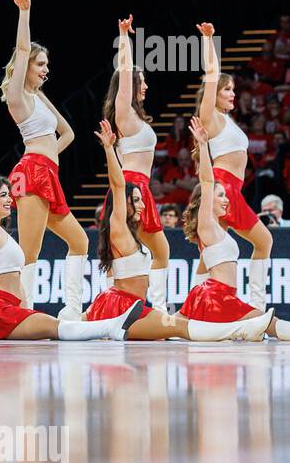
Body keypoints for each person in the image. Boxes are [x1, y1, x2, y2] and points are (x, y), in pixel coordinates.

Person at [0, 120, 141, 342]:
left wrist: (24, 307)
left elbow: (17, 280)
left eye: (9, 194)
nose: (10, 199)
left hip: (4, 309)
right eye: (3, 195)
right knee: (55, 327)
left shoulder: (3, 233)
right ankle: (112, 326)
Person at [87, 119, 261, 341]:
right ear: (125, 203)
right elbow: (118, 185)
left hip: (133, 309)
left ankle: (239, 328)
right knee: (177, 326)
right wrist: (110, 150)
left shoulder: (134, 236)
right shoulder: (118, 224)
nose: (143, 205)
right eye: (137, 200)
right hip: (121, 307)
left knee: (175, 324)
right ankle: (240, 330)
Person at [180, 116, 290, 341]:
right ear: (207, 201)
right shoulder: (207, 223)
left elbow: (202, 269)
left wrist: (192, 304)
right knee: (269, 323)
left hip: (221, 297)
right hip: (217, 298)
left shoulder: (218, 229)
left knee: (261, 326)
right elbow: (207, 182)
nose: (226, 200)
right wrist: (202, 144)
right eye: (221, 196)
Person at [1, 0, 90, 318]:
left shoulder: (39, 96)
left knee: (79, 242)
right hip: (32, 172)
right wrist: (24, 12)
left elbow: (67, 133)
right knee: (30, 251)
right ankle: (22, 312)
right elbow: (22, 49)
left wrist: (51, 152)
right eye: (40, 64)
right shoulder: (18, 96)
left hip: (48, 173)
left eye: (47, 64)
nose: (45, 69)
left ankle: (72, 311)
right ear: (25, 66)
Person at [195, 21, 271, 308]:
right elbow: (211, 74)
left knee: (210, 253)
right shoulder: (210, 116)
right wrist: (209, 41)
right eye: (227, 90)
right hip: (223, 186)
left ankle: (195, 306)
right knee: (263, 243)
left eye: (233, 89)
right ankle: (257, 307)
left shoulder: (226, 120)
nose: (232, 93)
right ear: (214, 94)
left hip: (224, 188)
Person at [103, 15, 169, 312]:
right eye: (141, 82)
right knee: (153, 251)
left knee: (140, 251)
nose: (146, 86)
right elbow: (125, 69)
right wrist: (124, 36)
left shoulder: (135, 118)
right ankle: (153, 309)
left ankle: (144, 306)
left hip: (136, 187)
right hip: (131, 187)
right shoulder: (125, 115)